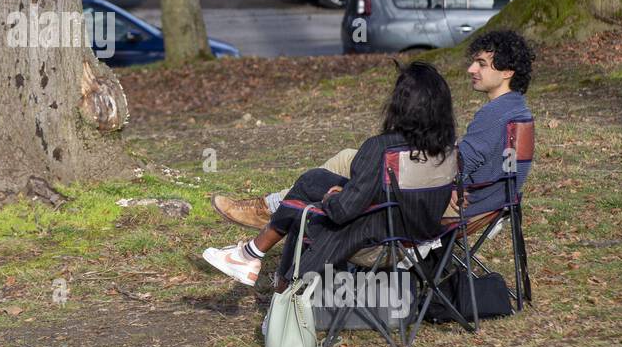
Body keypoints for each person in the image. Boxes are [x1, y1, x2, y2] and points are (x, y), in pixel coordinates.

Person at [204, 30, 535, 286]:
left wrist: (451, 183)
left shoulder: (494, 115)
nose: (471, 69)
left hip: (448, 207)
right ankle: (273, 210)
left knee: (351, 166)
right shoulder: (517, 110)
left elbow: (458, 165)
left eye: (482, 64)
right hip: (482, 203)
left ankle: (275, 213)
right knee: (350, 158)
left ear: (507, 71)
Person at [203, 61, 457, 288]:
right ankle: (252, 256)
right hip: (421, 241)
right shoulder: (449, 150)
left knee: (303, 206)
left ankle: (256, 262)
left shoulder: (382, 148)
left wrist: (332, 198)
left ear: (400, 105)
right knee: (312, 180)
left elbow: (342, 212)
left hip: (379, 244)